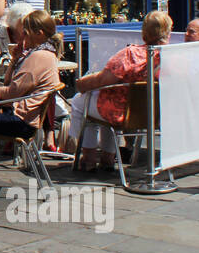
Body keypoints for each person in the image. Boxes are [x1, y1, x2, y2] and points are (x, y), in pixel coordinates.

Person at [0, 9, 63, 190]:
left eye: (26, 32)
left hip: (20, 121)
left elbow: (12, 92)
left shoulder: (38, 56)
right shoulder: (43, 53)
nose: (22, 36)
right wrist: (14, 60)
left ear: (38, 34)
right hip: (23, 118)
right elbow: (9, 83)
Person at [64, 10, 173, 170]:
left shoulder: (131, 54)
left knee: (81, 101)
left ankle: (88, 157)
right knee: (103, 100)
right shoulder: (173, 56)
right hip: (153, 115)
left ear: (144, 33)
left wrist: (81, 84)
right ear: (168, 32)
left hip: (123, 113)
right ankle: (108, 158)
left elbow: (102, 80)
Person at [0, 2, 35, 81]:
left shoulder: (34, 37)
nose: (28, 26)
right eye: (24, 23)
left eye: (30, 23)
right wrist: (9, 66)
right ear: (14, 22)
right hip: (2, 83)